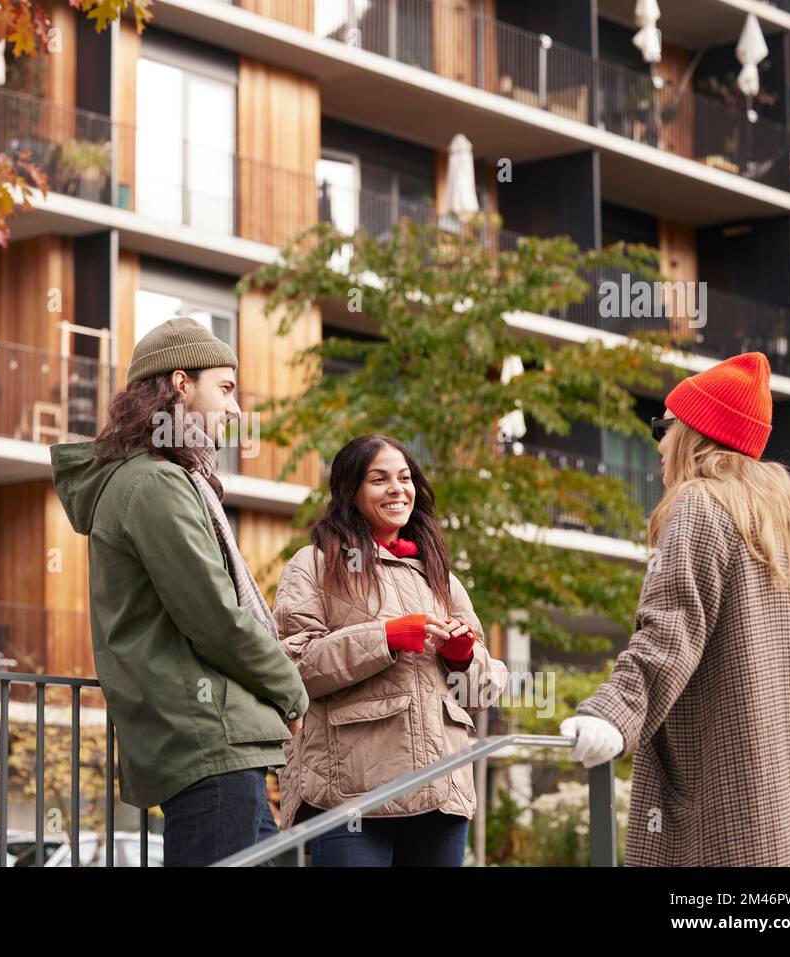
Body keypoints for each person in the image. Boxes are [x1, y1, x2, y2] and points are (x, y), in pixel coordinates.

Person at [562, 352, 790, 866]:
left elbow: (669, 631)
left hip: (735, 809)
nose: (657, 440)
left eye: (663, 425)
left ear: (696, 432)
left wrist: (612, 715)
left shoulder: (701, 505)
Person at [50, 317, 308, 867]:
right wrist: (292, 689)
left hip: (212, 739)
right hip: (208, 740)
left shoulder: (159, 479)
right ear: (181, 385)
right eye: (226, 389)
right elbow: (215, 616)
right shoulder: (156, 484)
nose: (237, 411)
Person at [273, 434, 508, 866]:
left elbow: (482, 692)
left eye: (404, 477)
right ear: (351, 491)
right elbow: (295, 668)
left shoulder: (440, 577)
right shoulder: (314, 565)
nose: (397, 488)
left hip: (442, 793)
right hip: (353, 794)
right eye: (379, 479)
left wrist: (460, 657)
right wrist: (387, 637)